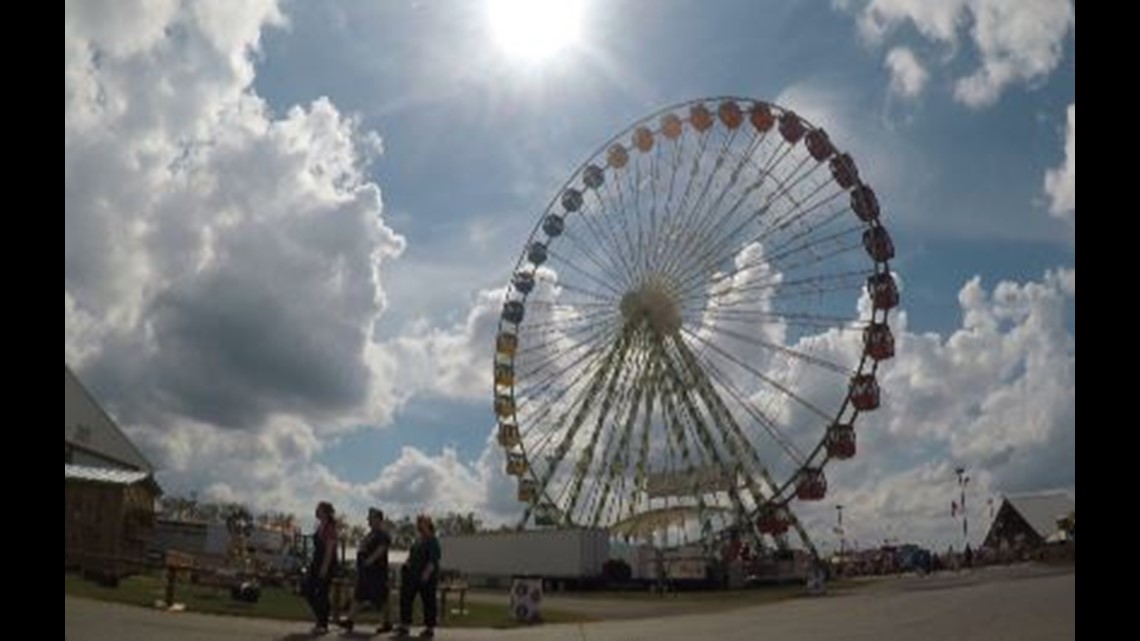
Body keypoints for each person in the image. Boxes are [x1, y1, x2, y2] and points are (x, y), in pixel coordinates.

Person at [337, 508, 393, 634]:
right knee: (358, 596)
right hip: (365, 572)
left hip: (377, 572)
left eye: (371, 518)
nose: (368, 520)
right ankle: (350, 621)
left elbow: (382, 549)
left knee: (382, 598)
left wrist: (370, 560)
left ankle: (387, 623)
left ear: (378, 519)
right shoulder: (369, 534)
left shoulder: (382, 534)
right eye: (369, 518)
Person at [394, 515, 441, 639]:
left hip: (426, 578)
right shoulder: (418, 540)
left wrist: (425, 575)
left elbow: (433, 560)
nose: (419, 525)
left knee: (428, 602)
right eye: (418, 522)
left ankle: (429, 628)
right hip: (412, 577)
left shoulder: (432, 540)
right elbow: (411, 556)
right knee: (406, 599)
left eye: (422, 522)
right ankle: (405, 626)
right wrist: (406, 564)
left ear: (429, 524)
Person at [303, 501, 339, 635]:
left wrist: (324, 567)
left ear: (325, 512)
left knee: (322, 593)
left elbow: (330, 549)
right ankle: (321, 617)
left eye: (318, 509)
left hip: (326, 563)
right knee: (307, 589)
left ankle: (323, 623)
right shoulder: (320, 526)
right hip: (316, 563)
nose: (316, 511)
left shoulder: (330, 528)